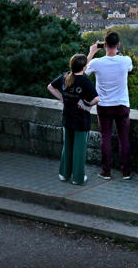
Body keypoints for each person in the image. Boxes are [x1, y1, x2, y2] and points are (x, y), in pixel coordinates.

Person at [86, 30, 133, 180]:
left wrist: (91, 53)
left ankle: (106, 171)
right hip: (122, 104)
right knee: (124, 138)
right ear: (118, 45)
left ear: (104, 45)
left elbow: (81, 72)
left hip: (104, 105)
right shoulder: (126, 60)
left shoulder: (97, 63)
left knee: (105, 138)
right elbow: (129, 69)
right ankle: (126, 171)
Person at [47, 54, 100, 185]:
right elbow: (97, 99)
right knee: (79, 150)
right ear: (84, 66)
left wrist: (62, 99)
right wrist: (88, 104)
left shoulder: (65, 77)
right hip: (81, 119)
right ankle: (78, 178)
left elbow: (50, 87)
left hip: (67, 117)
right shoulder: (85, 82)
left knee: (68, 146)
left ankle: (63, 174)